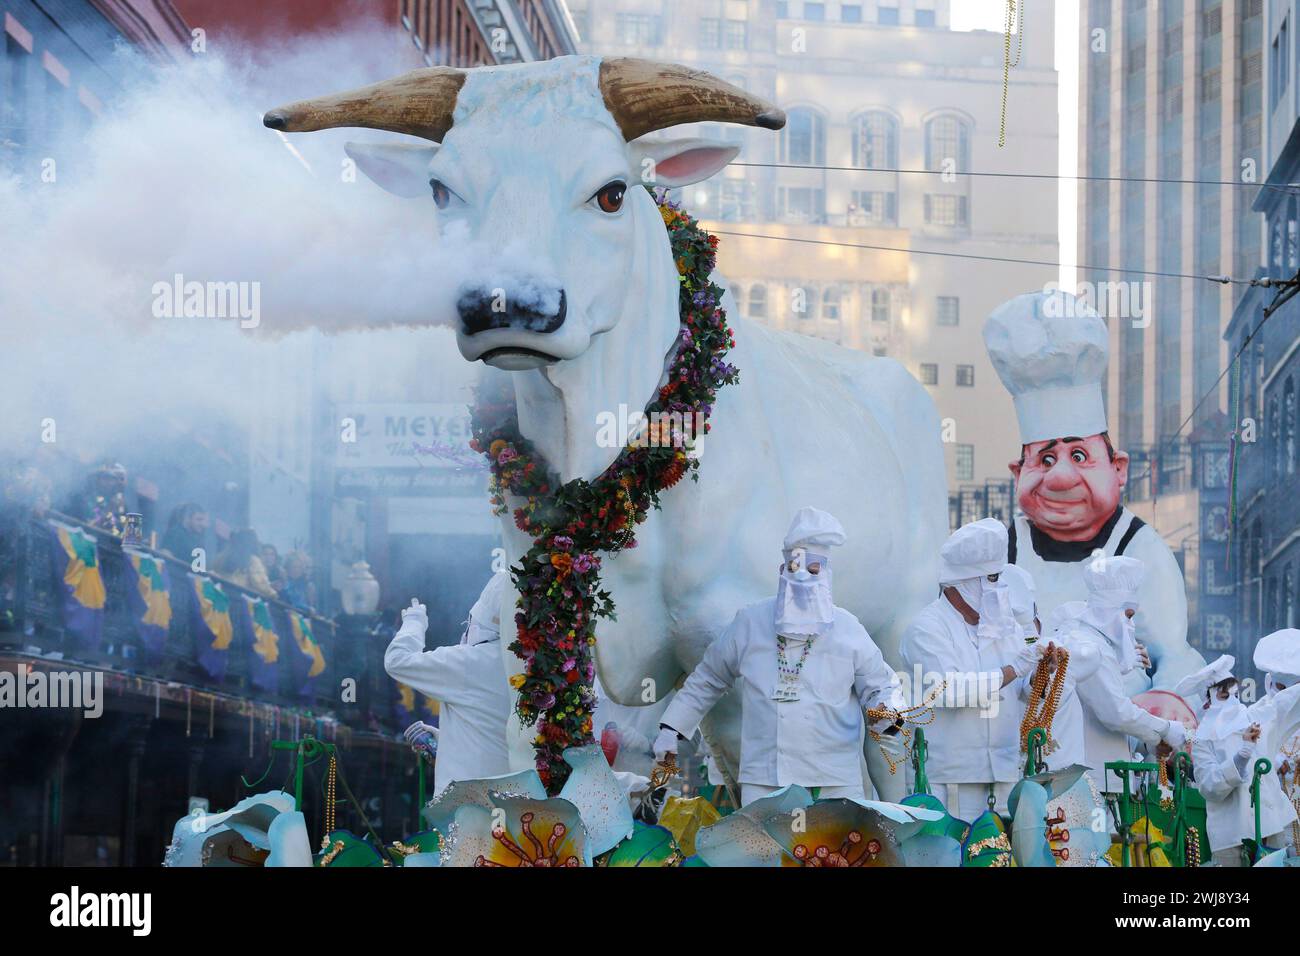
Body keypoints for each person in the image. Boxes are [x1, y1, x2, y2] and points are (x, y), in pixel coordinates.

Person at [983, 290, 1204, 693]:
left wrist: (1163, 700)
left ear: (1118, 469)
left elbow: (1172, 655)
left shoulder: (1139, 547)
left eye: (1080, 456)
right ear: (1019, 474)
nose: (1061, 479)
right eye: (1045, 461)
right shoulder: (1002, 548)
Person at [652, 507, 904, 807]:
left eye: (813, 571)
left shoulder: (847, 628)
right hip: (765, 779)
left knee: (841, 854)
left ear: (827, 574)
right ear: (781, 571)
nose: (804, 581)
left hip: (835, 782)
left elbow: (883, 685)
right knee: (762, 854)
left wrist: (887, 713)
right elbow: (707, 679)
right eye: (795, 570)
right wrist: (672, 729)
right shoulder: (750, 623)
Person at [899, 517, 1045, 820]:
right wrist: (1015, 668)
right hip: (950, 779)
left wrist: (1040, 674)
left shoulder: (1004, 629)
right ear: (964, 584)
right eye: (992, 579)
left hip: (1004, 773)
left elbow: (1023, 695)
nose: (1000, 589)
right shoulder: (926, 629)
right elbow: (948, 691)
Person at [1055, 555, 1184, 792]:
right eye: (1128, 617)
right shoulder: (1090, 648)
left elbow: (1105, 725)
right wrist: (1165, 729)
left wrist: (1148, 743)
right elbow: (1116, 714)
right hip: (1090, 781)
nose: (1131, 626)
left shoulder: (1093, 643)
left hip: (1100, 776)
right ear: (1111, 611)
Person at [386, 571, 513, 796]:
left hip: (467, 806)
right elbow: (491, 733)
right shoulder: (522, 664)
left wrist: (414, 623)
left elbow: (397, 661)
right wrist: (445, 742)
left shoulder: (470, 661)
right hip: (512, 801)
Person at [1176, 651, 1300, 865]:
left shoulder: (1254, 718)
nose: (1233, 702)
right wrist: (1241, 757)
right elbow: (1209, 788)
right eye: (1225, 697)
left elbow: (1284, 704)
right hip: (1232, 839)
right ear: (1207, 703)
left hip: (1272, 827)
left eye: (1235, 695)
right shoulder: (1202, 740)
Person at [1254, 628, 1300, 854]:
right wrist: (1270, 757)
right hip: (1272, 824)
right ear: (1269, 682)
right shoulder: (1254, 715)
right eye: (1281, 688)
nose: (1287, 696)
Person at [67, 462, 129, 535]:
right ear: (98, 479)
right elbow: (85, 530)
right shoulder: (85, 499)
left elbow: (124, 536)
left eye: (120, 480)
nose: (110, 483)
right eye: (106, 478)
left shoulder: (121, 506)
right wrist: (109, 509)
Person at [214, 528, 275, 597]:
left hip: (222, 596)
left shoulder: (222, 557)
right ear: (252, 543)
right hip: (241, 599)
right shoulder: (252, 560)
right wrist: (273, 594)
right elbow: (260, 584)